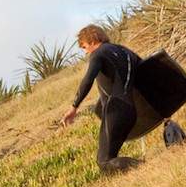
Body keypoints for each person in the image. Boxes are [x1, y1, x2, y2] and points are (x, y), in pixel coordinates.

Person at [60, 25, 143, 171]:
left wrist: (74, 107)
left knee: (103, 163)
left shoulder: (98, 54)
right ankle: (140, 169)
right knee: (109, 158)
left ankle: (143, 167)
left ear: (92, 41)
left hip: (115, 110)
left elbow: (87, 80)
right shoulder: (125, 51)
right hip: (131, 111)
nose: (86, 53)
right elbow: (146, 71)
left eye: (85, 47)